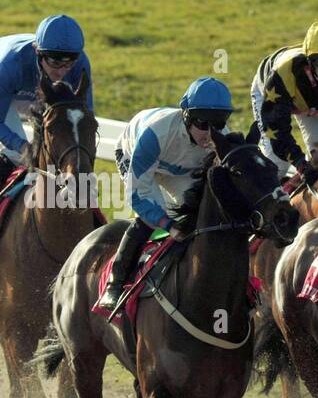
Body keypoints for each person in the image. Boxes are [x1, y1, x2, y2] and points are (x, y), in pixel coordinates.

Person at [94, 77, 234, 313]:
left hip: (178, 171)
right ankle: (115, 283)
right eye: (203, 124)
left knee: (199, 212)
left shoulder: (220, 139)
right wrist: (167, 225)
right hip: (136, 155)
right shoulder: (156, 134)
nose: (210, 133)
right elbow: (138, 194)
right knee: (150, 217)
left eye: (218, 124)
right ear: (187, 116)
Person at [0, 14, 93, 253]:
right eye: (55, 63)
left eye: (68, 63)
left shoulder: (80, 65)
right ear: (38, 52)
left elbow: (84, 115)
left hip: (42, 91)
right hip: (0, 83)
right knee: (15, 152)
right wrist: (23, 147)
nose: (62, 71)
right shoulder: (12, 64)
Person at [250, 18, 318, 185]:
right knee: (279, 163)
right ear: (311, 61)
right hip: (271, 92)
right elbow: (277, 129)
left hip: (312, 105)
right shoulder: (284, 73)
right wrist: (300, 163)